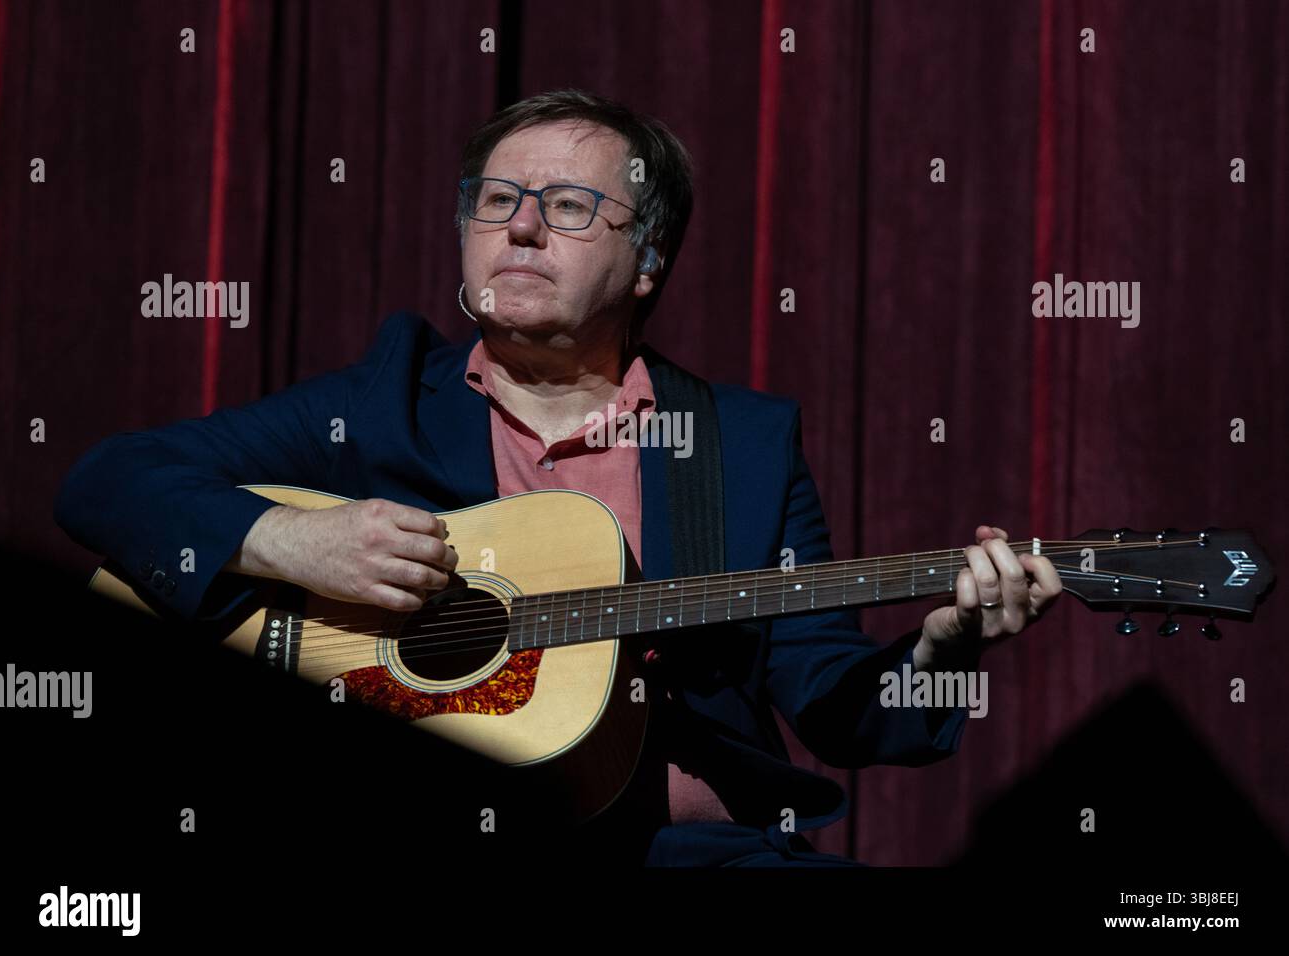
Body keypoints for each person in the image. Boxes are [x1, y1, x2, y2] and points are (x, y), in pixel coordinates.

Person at [54, 89, 1061, 866]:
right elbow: (108, 479)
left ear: (648, 258)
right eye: (497, 201)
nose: (521, 228)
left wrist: (946, 640)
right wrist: (287, 539)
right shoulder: (386, 397)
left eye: (570, 207)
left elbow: (841, 708)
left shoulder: (741, 444)